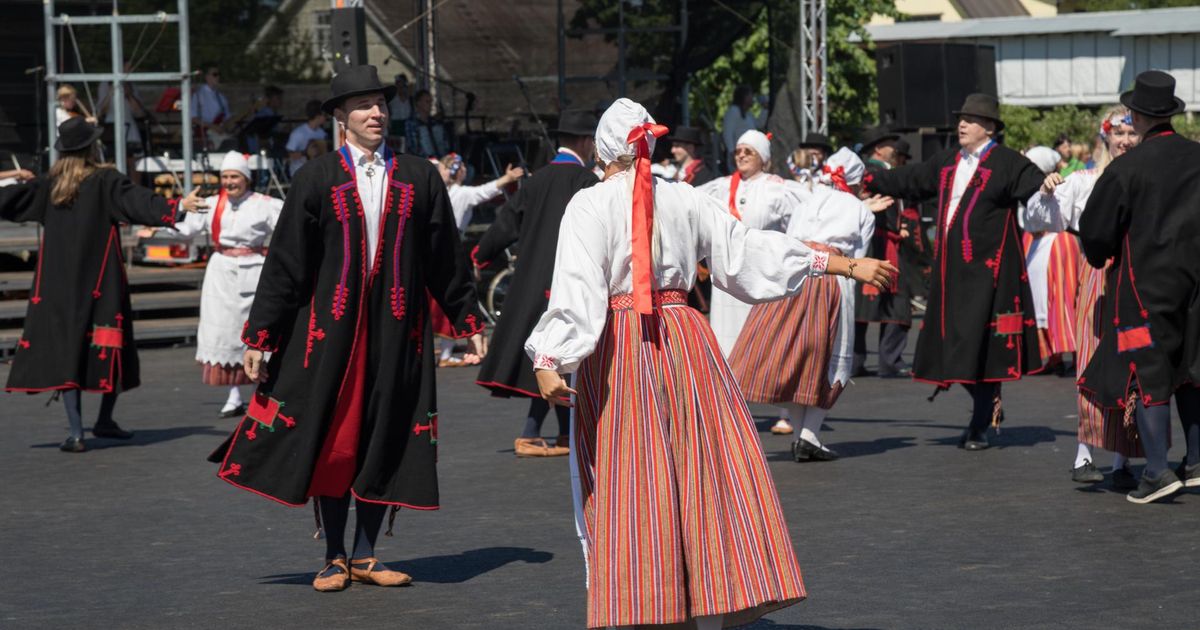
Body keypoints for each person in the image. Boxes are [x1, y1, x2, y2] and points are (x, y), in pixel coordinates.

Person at [526, 97, 895, 630]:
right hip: (685, 341)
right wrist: (840, 263)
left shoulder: (590, 204)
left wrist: (550, 357)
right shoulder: (684, 198)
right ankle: (716, 592)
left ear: (603, 148)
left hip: (623, 346)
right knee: (705, 471)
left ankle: (653, 605)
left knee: (635, 476)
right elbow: (746, 252)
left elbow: (578, 289)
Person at [209, 65, 487, 589]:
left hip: (398, 328)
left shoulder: (418, 174)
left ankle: (366, 553)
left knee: (386, 433)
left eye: (380, 103)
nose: (375, 113)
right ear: (339, 117)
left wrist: (468, 317)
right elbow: (287, 261)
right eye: (362, 105)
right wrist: (261, 335)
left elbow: (444, 256)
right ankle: (334, 554)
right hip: (330, 332)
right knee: (336, 436)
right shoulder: (316, 177)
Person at [0, 117, 204, 451]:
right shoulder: (104, 180)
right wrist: (178, 205)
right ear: (91, 146)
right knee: (109, 340)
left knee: (69, 347)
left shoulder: (50, 185)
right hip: (99, 278)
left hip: (57, 282)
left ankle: (76, 431)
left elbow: (10, 199)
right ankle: (104, 420)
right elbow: (139, 202)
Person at [865, 94, 1045, 450]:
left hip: (988, 274)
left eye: (971, 119)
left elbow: (1036, 189)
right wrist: (869, 179)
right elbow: (912, 178)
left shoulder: (1009, 163)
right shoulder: (949, 161)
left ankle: (979, 423)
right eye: (961, 118)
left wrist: (1052, 184)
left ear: (989, 128)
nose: (962, 124)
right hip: (951, 275)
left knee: (978, 349)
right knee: (951, 348)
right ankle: (986, 403)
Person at [1077, 71, 1200, 504]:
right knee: (1190, 364)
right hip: (1196, 278)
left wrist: (1098, 255)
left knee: (1147, 370)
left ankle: (1156, 470)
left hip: (1144, 281)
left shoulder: (1128, 167)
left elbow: (1094, 230)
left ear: (1138, 116)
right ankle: (1197, 461)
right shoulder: (1197, 157)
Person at [729, 147, 884, 461]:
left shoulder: (809, 199)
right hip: (831, 276)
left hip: (795, 270)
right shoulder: (860, 211)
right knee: (827, 357)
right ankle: (808, 436)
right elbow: (857, 254)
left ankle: (805, 437)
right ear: (855, 181)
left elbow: (790, 234)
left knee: (798, 354)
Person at [1025, 107, 1143, 488]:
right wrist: (1045, 192)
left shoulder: (1147, 177)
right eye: (1119, 133)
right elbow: (1040, 220)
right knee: (1091, 357)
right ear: (1105, 136)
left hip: (1139, 276)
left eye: (1131, 133)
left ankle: (1124, 456)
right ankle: (1084, 453)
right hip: (1097, 272)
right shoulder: (1084, 181)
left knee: (1134, 361)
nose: (1125, 140)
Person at [473, 110, 599, 457]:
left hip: (530, 281)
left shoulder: (536, 180)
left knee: (551, 358)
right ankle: (537, 433)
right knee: (556, 357)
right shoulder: (586, 182)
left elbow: (505, 224)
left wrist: (480, 255)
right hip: (566, 279)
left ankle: (562, 433)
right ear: (587, 142)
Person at [163, 151, 282, 418]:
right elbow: (186, 229)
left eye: (235, 177)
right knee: (226, 332)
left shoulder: (265, 204)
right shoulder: (213, 203)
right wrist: (166, 218)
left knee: (255, 331)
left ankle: (259, 395)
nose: (229, 182)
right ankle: (234, 395)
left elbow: (289, 227)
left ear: (246, 179)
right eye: (225, 177)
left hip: (254, 270)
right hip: (221, 274)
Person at [429, 152, 523, 368]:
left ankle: (446, 348)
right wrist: (506, 180)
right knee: (454, 297)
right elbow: (483, 192)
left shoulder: (441, 192)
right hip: (449, 250)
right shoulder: (460, 194)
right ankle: (447, 352)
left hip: (434, 249)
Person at [854, 126, 913, 378]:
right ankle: (890, 360)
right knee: (895, 303)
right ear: (879, 148)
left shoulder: (873, 172)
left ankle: (856, 361)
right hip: (878, 244)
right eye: (891, 144)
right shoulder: (874, 173)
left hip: (878, 242)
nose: (895, 148)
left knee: (864, 304)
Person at [1020, 145, 1081, 375]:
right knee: (1040, 299)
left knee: (1063, 297)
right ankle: (1052, 356)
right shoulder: (1031, 184)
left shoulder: (1057, 183)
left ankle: (1076, 354)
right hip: (1037, 242)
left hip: (1057, 241)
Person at [721, 85, 767, 170]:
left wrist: (765, 108)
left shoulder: (748, 114)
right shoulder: (733, 111)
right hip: (738, 156)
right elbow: (727, 134)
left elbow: (759, 125)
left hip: (748, 155)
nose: (752, 98)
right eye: (750, 95)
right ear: (744, 97)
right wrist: (732, 153)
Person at [191, 65, 232, 149]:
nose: (218, 77)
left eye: (218, 74)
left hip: (219, 132)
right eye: (215, 74)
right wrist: (212, 126)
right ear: (207, 77)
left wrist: (224, 126)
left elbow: (228, 117)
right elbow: (193, 117)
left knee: (232, 141)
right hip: (206, 133)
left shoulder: (221, 97)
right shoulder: (198, 94)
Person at [286, 99, 329, 176]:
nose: (326, 117)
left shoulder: (322, 133)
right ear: (318, 116)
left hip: (317, 172)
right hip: (300, 172)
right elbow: (288, 155)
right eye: (325, 114)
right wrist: (305, 153)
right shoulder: (298, 133)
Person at [405, 89, 450, 158]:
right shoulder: (411, 123)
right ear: (418, 103)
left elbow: (445, 143)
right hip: (423, 163)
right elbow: (414, 148)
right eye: (427, 101)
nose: (430, 104)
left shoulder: (436, 123)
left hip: (441, 160)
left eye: (431, 101)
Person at [387, 74, 413, 139]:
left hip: (408, 125)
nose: (400, 86)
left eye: (402, 84)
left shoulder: (410, 99)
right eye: (397, 84)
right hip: (395, 125)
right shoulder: (392, 99)